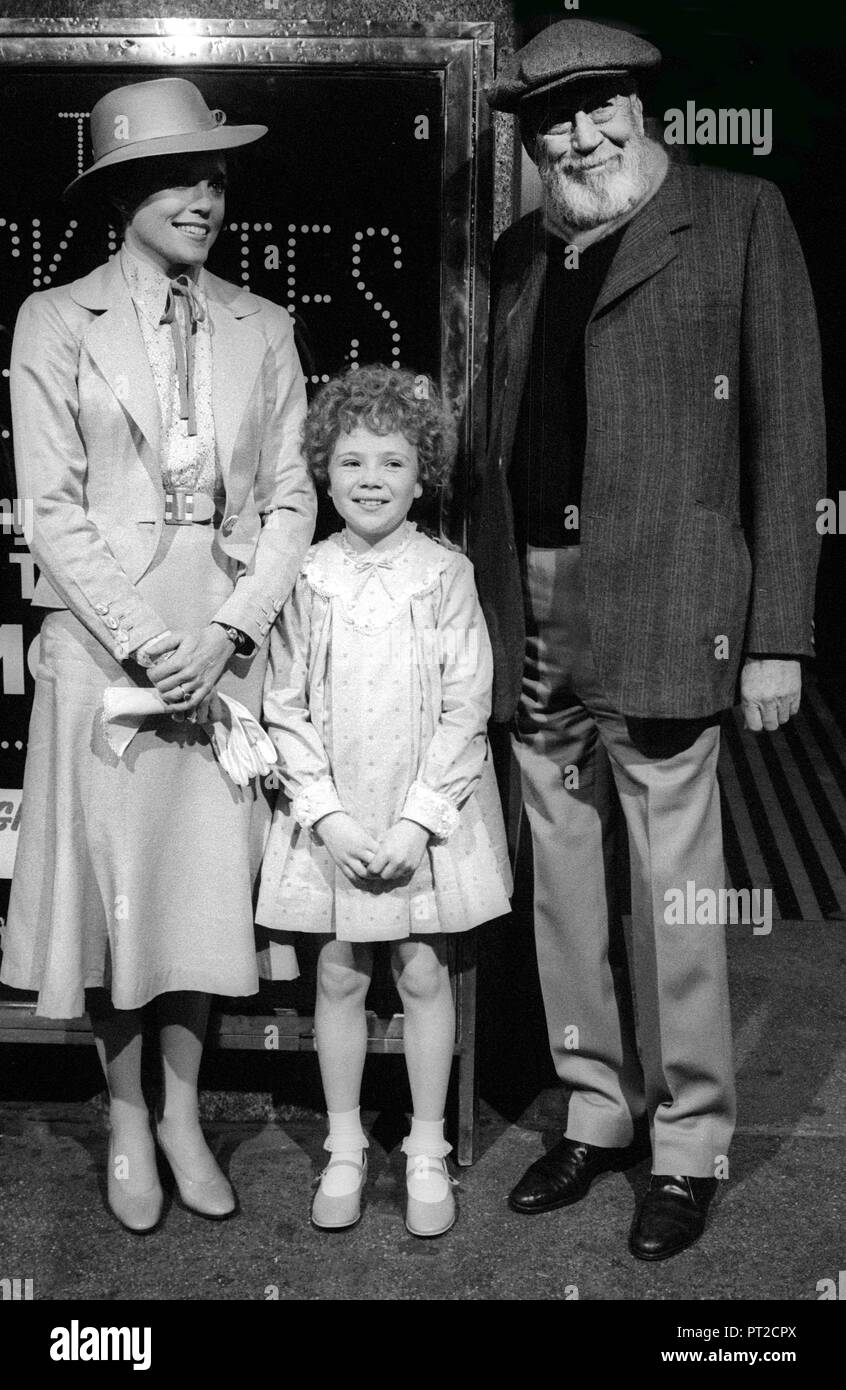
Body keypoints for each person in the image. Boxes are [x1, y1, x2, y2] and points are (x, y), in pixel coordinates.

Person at [475, 19, 824, 1259]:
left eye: (598, 106)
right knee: (565, 880)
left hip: (671, 601)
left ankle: (689, 1143)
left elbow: (787, 438)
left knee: (675, 892)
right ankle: (596, 1105)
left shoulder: (737, 217)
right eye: (551, 119)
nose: (579, 135)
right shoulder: (526, 251)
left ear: (640, 105)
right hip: (538, 603)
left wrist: (779, 631)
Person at [0, 78, 316, 1232]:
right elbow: (52, 506)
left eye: (217, 176)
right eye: (182, 175)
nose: (205, 196)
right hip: (105, 648)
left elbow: (290, 501)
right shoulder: (53, 318)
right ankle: (126, 1114)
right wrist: (148, 643)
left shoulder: (263, 325)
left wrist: (227, 632)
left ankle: (184, 1109)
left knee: (197, 897)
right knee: (117, 899)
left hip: (224, 646)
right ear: (125, 188)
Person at [255, 364, 512, 1237]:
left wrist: (418, 821)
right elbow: (281, 704)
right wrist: (324, 812)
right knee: (336, 971)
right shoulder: (305, 575)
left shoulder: (444, 573)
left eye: (393, 463)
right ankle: (343, 1145)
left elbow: (465, 702)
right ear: (323, 470)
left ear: (421, 473)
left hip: (421, 825)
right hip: (334, 819)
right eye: (354, 461)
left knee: (425, 969)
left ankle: (428, 1147)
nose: (373, 480)